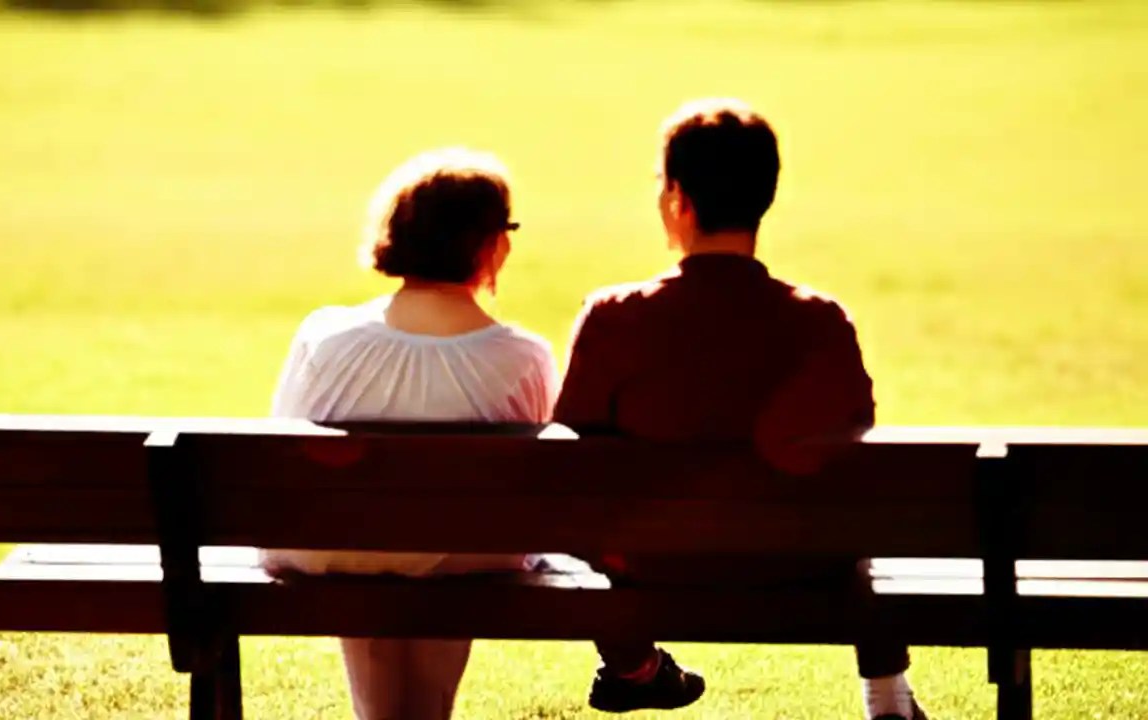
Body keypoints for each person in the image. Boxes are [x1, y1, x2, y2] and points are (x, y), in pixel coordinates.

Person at [553, 98, 926, 720]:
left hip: (651, 566)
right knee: (857, 514)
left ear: (677, 198)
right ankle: (887, 699)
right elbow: (852, 447)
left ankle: (635, 667)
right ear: (766, 196)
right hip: (800, 561)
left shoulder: (615, 318)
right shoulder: (818, 321)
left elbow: (575, 454)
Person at [260, 147, 559, 720]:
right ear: (487, 244)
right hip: (458, 555)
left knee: (371, 531)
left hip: (324, 547)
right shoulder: (521, 356)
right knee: (453, 532)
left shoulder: (324, 335)